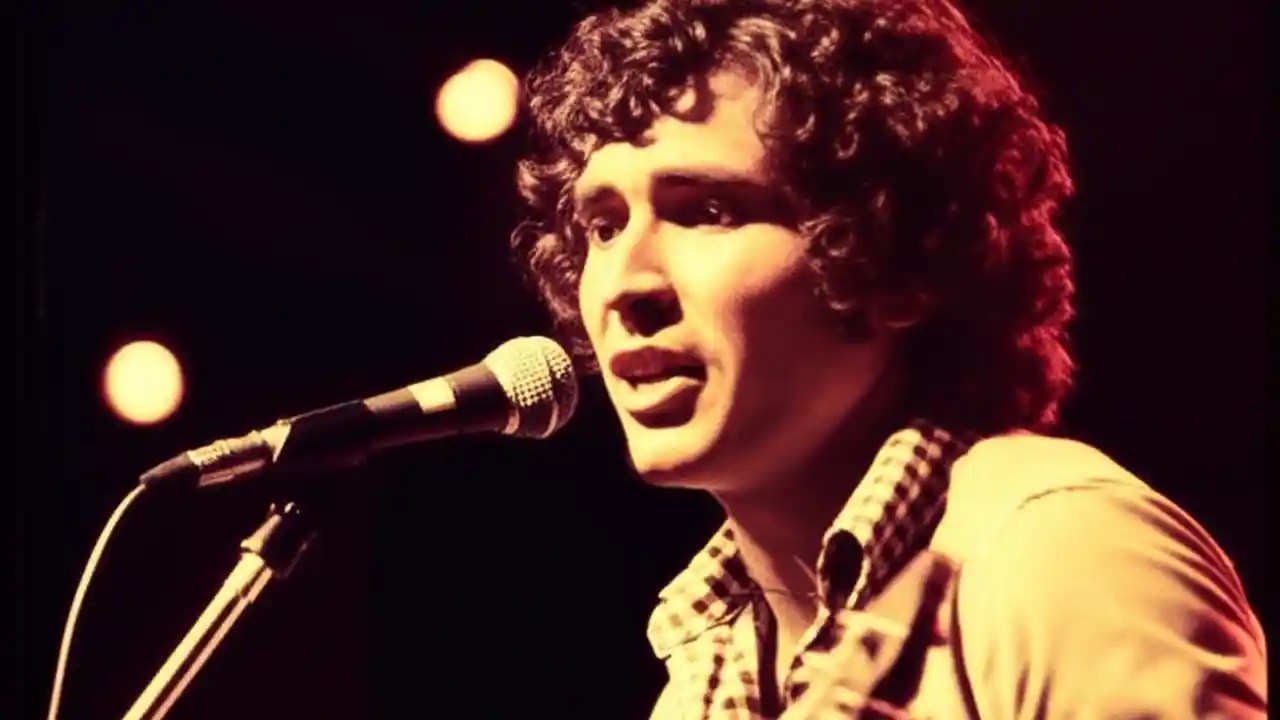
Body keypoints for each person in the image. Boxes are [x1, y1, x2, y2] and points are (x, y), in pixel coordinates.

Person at [508, 0, 1267, 717]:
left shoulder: (1060, 556)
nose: (626, 284)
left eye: (709, 211)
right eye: (604, 226)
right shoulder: (707, 661)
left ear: (895, 260)